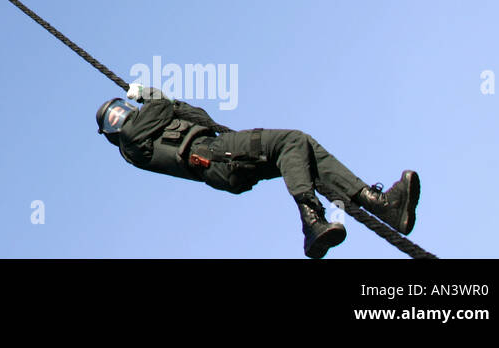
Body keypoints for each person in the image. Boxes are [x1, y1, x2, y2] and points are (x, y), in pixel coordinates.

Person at [97, 85, 420, 258]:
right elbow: (161, 107)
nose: (120, 117)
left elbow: (198, 117)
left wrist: (168, 102)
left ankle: (379, 204)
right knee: (291, 140)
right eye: (112, 118)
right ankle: (311, 219)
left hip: (221, 155)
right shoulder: (131, 144)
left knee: (302, 150)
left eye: (119, 110)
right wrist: (149, 94)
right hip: (214, 157)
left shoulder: (150, 126)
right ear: (111, 134)